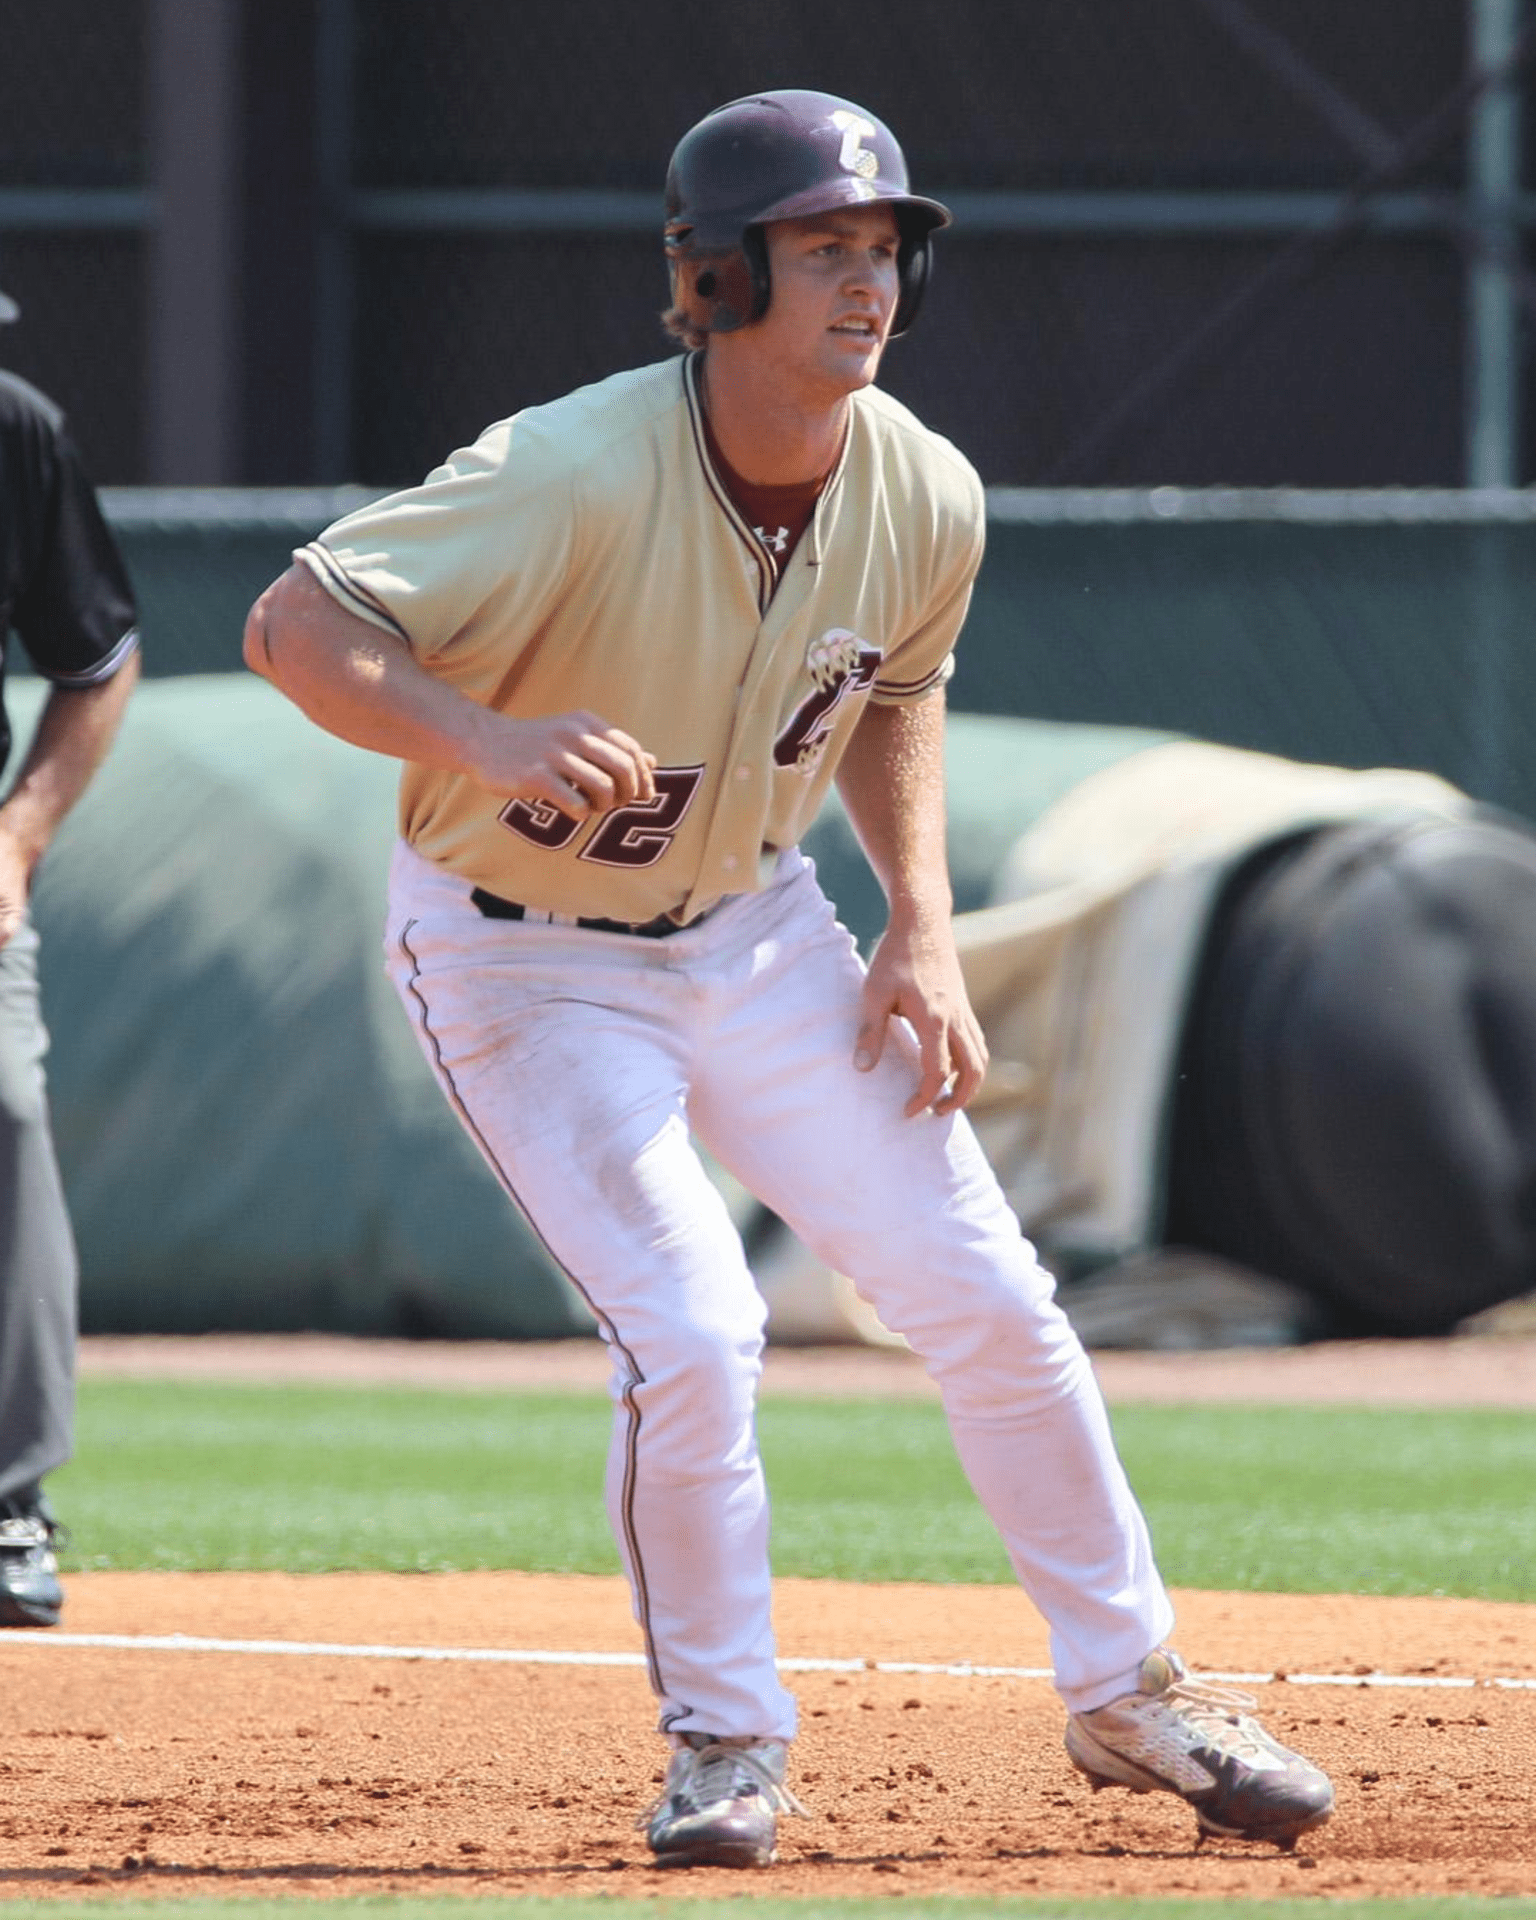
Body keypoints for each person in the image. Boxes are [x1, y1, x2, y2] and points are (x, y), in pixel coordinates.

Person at [244, 90, 1333, 1867]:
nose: (868, 282)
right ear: (718, 276)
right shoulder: (574, 467)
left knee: (989, 1294)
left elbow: (895, 693)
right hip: (524, 961)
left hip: (756, 932)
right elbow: (296, 624)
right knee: (694, 1329)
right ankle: (728, 1747)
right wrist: (478, 731)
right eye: (823, 250)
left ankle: (1136, 1693)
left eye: (886, 247)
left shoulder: (923, 484)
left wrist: (916, 923)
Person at [0, 277, 141, 1626]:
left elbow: (97, 655)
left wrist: (20, 836)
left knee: (5, 1112)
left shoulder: (15, 432)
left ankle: (4, 1498)